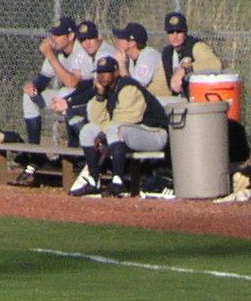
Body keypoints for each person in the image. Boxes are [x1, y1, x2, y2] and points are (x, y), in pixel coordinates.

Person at [70, 55, 170, 197]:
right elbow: (97, 121)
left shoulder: (128, 87)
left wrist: (103, 137)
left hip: (154, 133)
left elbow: (128, 118)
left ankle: (118, 182)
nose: (102, 76)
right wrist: (100, 97)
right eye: (99, 72)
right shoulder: (105, 90)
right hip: (129, 134)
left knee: (116, 129)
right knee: (88, 131)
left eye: (106, 72)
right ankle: (93, 181)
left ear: (116, 72)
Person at [18, 16, 77, 147]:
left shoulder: (80, 51)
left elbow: (73, 84)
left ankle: (73, 151)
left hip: (86, 99)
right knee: (29, 97)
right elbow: (42, 80)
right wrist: (32, 87)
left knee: (65, 93)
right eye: (52, 34)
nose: (53, 38)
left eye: (58, 35)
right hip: (67, 98)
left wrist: (50, 55)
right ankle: (34, 151)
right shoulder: (56, 52)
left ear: (71, 36)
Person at [161, 9, 224, 95]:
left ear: (185, 32)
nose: (175, 36)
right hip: (179, 99)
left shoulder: (196, 46)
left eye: (179, 31)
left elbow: (216, 64)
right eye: (171, 32)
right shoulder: (167, 53)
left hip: (202, 96)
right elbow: (161, 83)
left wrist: (185, 70)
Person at [112, 22, 163, 93]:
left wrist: (122, 66)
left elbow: (134, 89)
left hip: (164, 98)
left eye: (121, 38)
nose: (117, 40)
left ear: (132, 43)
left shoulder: (149, 58)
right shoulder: (131, 57)